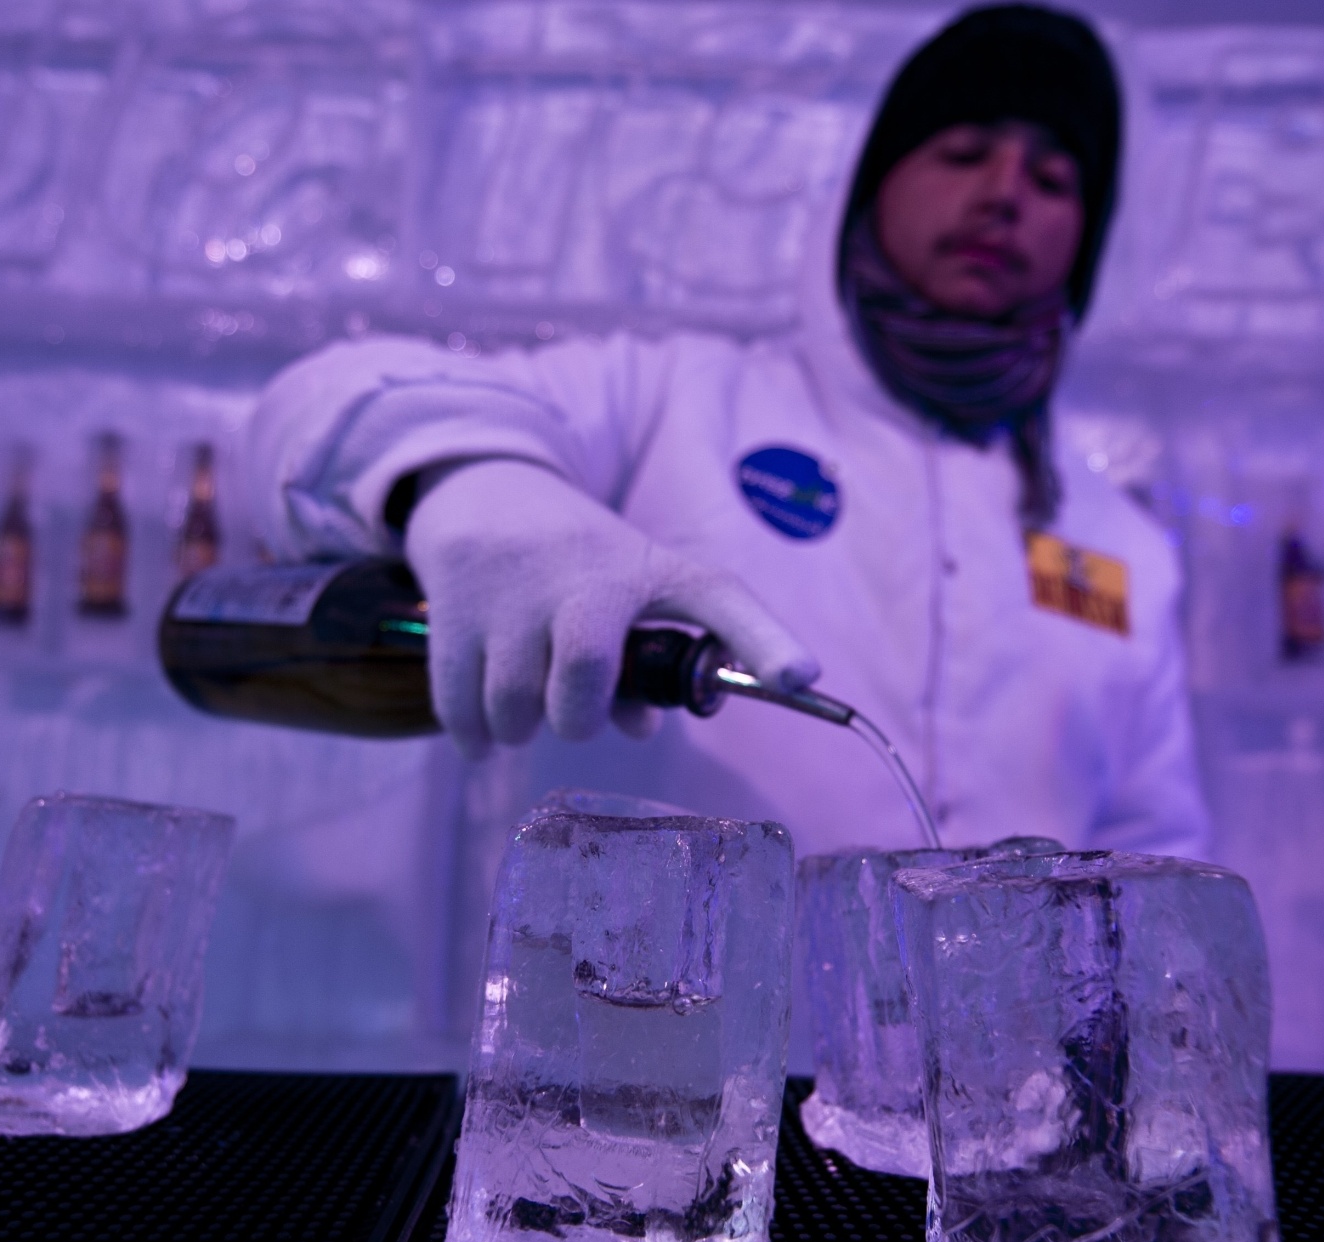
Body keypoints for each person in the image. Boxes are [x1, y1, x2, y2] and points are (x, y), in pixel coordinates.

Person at [240, 4, 1208, 858]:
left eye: (1054, 179)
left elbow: (1156, 853)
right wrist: (474, 482)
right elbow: (320, 405)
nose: (1004, 194)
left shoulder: (1121, 545)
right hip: (650, 1013)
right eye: (963, 153)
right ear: (872, 189)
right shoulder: (673, 399)